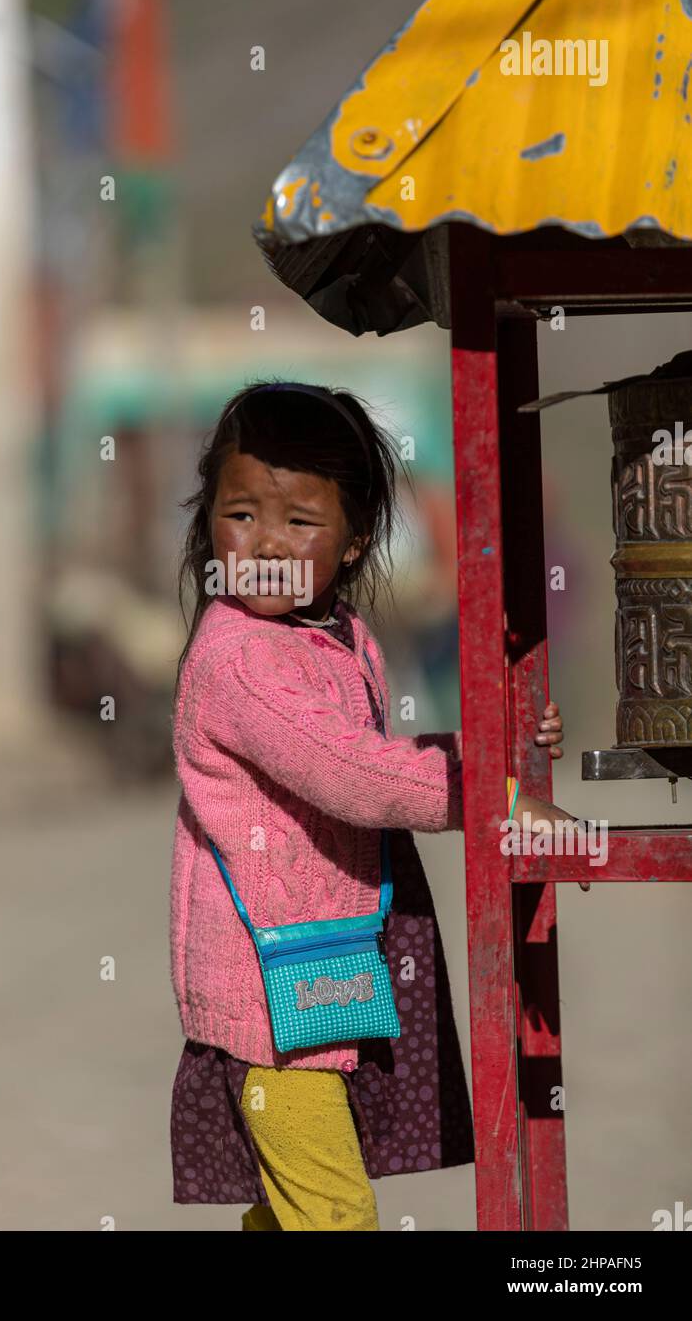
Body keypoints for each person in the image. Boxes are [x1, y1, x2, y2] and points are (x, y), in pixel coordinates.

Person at [168, 379, 568, 1231]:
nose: (266, 542)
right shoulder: (241, 660)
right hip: (271, 1002)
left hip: (326, 976)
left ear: (354, 543)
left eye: (301, 522)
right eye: (241, 514)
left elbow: (375, 760)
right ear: (209, 521)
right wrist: (487, 786)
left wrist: (497, 743)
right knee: (336, 1216)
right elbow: (357, 775)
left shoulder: (334, 632)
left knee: (302, 1212)